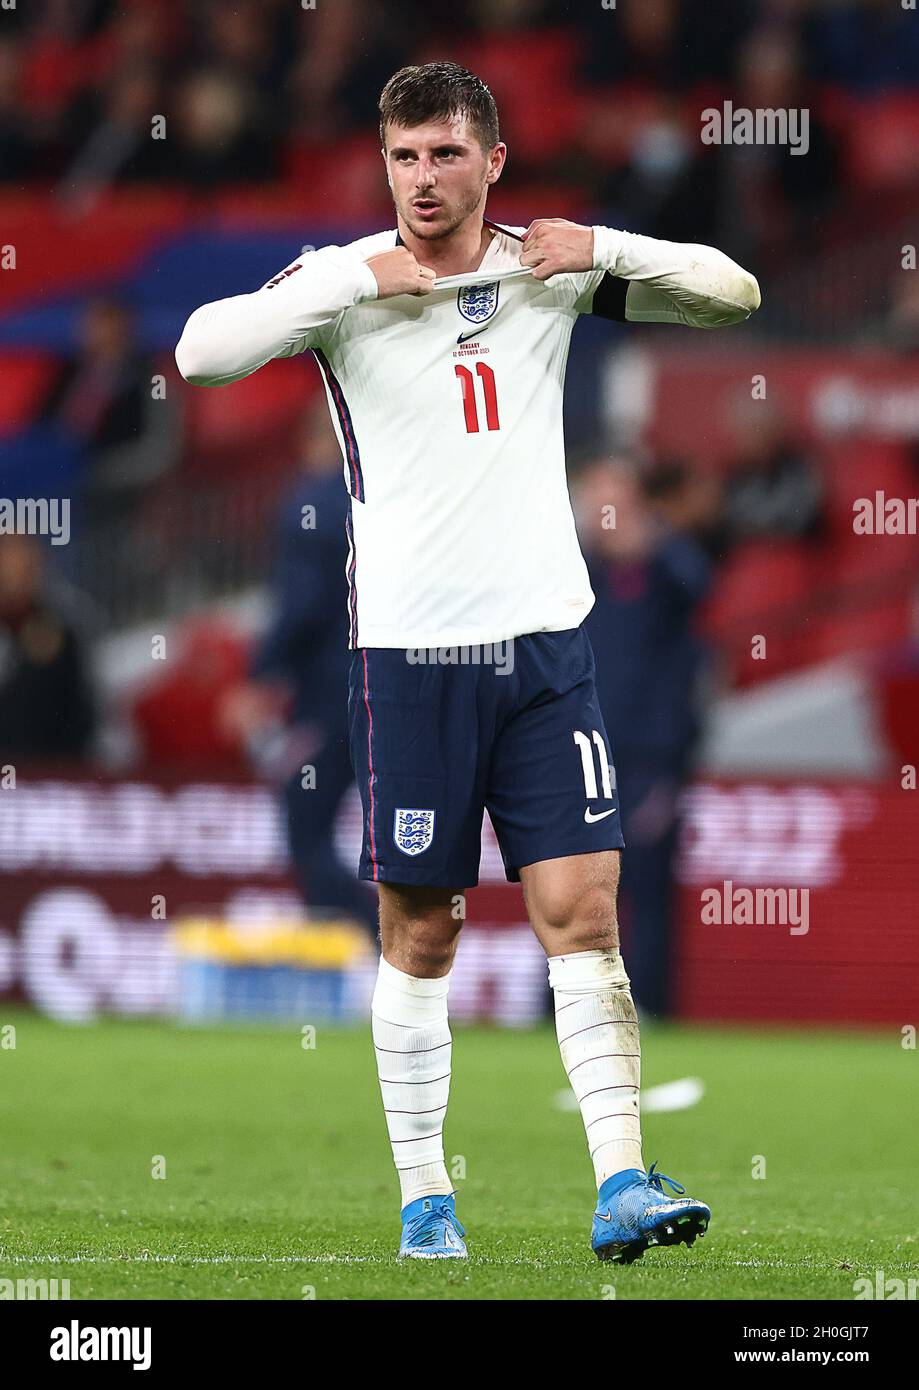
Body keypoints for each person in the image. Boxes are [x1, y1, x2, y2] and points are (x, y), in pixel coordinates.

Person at [175, 61, 760, 1263]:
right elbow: (200, 353)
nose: (423, 180)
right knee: (423, 933)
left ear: (492, 159)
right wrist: (347, 275)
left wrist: (601, 239)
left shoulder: (543, 269)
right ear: (381, 164)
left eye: (446, 154)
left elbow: (730, 293)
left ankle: (620, 1180)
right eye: (403, 157)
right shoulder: (345, 285)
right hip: (409, 654)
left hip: (547, 642)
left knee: (581, 912)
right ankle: (426, 1198)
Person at [578, 457, 712, 1018]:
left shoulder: (666, 567)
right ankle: (568, 1008)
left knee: (646, 888)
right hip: (581, 749)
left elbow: (698, 585)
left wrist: (649, 539)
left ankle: (650, 1009)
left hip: (650, 758)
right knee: (573, 886)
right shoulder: (581, 571)